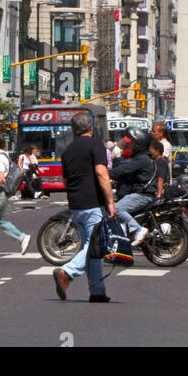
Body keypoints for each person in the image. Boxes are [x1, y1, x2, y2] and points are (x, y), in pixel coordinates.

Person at [53, 111, 116, 303]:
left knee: (92, 246)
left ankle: (97, 290)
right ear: (91, 128)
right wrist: (111, 201)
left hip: (76, 204)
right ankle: (67, 272)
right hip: (93, 203)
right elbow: (101, 173)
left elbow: (65, 181)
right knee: (93, 246)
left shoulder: (67, 150)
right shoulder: (95, 145)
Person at [110, 128, 160, 246]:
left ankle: (138, 230)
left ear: (138, 144)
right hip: (141, 193)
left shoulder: (142, 159)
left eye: (130, 142)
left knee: (117, 209)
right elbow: (127, 175)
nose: (127, 144)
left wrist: (103, 172)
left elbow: (124, 170)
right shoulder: (141, 158)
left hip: (143, 195)